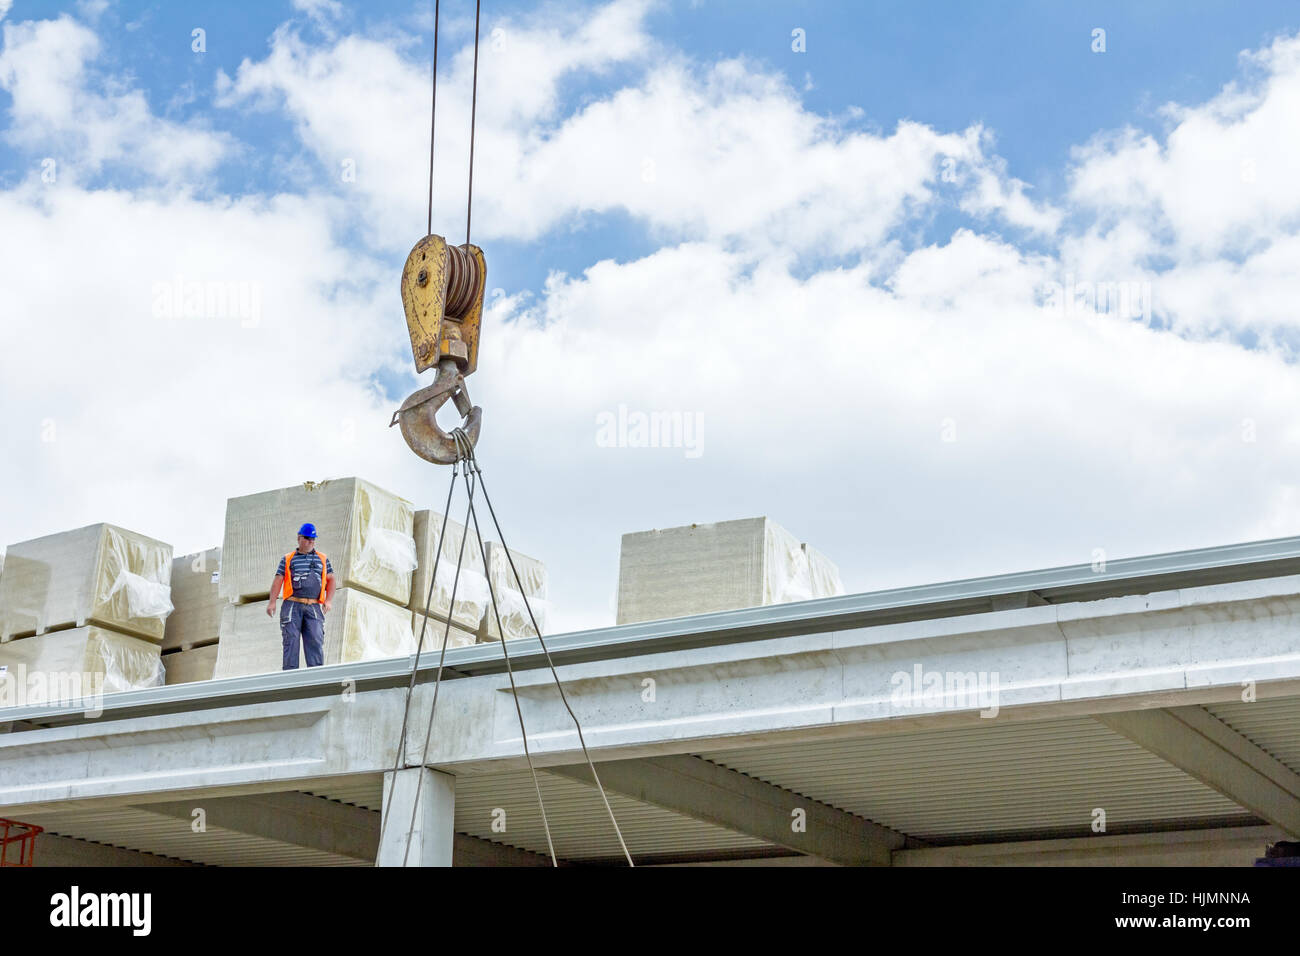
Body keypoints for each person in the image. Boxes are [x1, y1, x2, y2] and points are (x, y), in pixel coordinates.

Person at [266, 523, 335, 670]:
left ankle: (316, 678)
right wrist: (272, 602)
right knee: (291, 641)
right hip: (292, 605)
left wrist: (328, 600)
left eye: (313, 539)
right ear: (299, 538)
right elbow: (278, 580)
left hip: (314, 606)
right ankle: (290, 680)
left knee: (315, 640)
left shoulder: (322, 559)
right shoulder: (288, 559)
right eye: (308, 538)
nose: (311, 541)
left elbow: (331, 579)